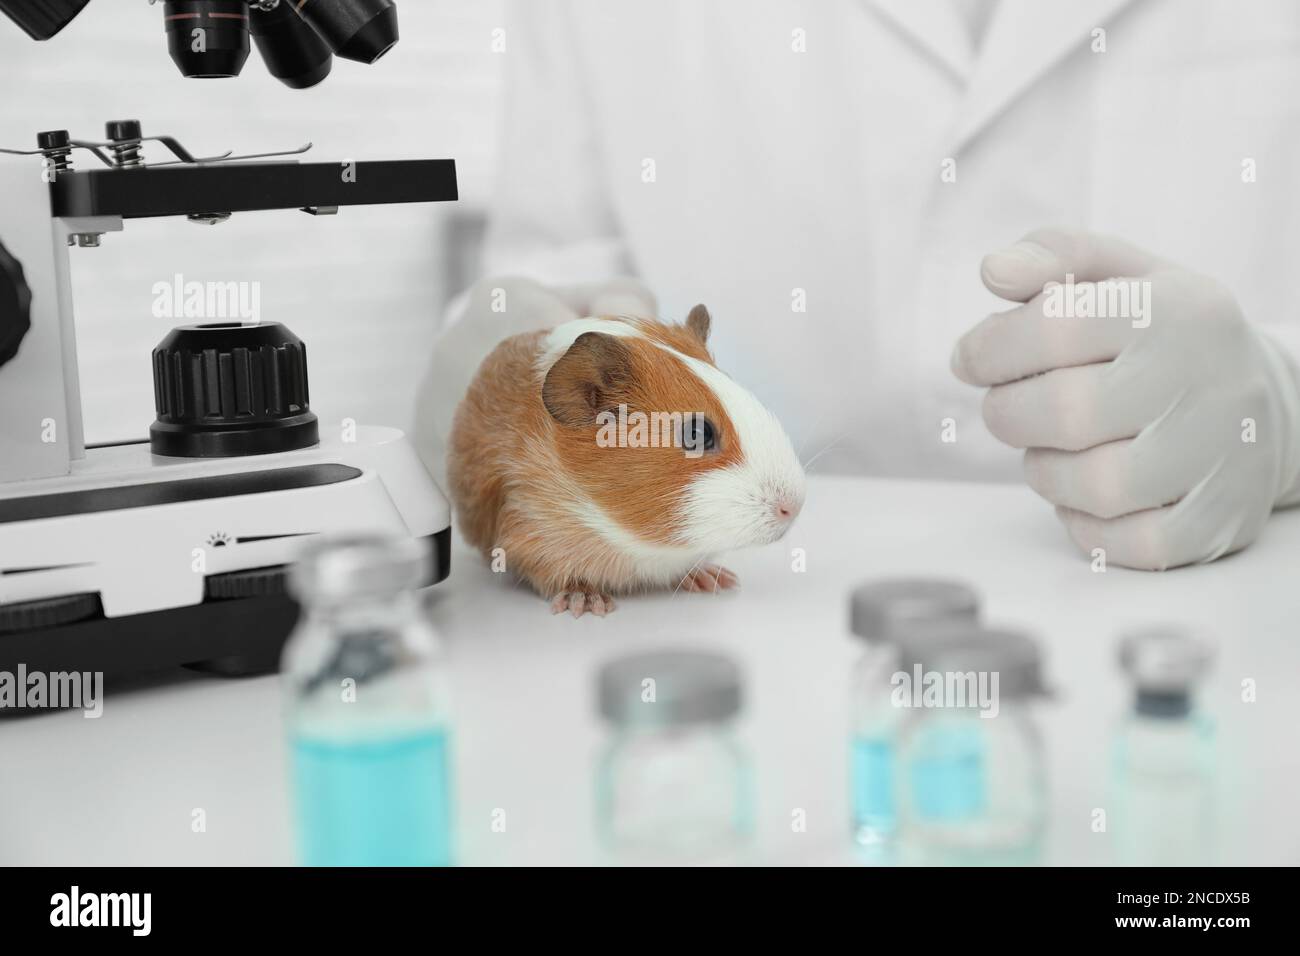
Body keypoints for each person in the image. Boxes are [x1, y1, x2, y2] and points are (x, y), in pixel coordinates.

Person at [417, 0, 1300, 571]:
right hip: (753, 629)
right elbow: (561, 273)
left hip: (1227, 610)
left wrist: (1283, 409)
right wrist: (499, 391)